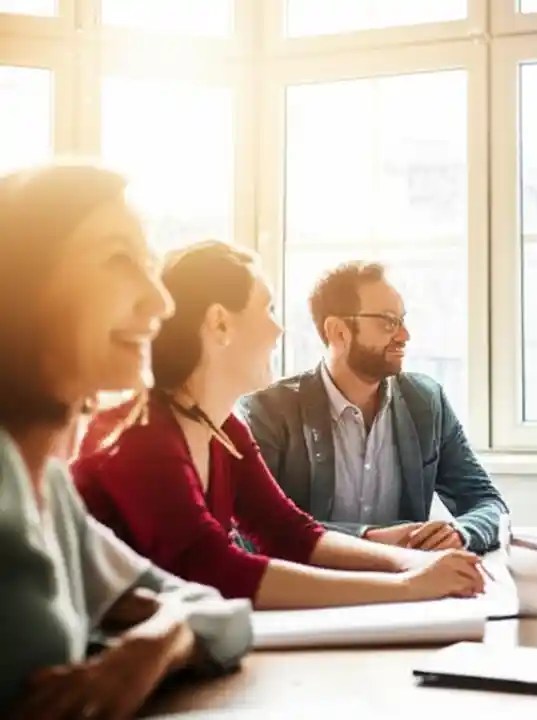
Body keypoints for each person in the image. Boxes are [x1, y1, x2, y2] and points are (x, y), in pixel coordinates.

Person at [74, 241, 485, 609]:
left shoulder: (224, 429)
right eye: (267, 309)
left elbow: (289, 533)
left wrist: (414, 562)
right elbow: (216, 569)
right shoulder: (140, 434)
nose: (278, 329)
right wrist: (407, 587)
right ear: (219, 324)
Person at [0, 164, 251, 717]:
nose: (161, 303)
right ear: (18, 281)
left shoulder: (52, 491)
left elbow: (219, 613)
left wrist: (155, 644)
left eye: (152, 267)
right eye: (120, 260)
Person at [240, 261, 507, 553]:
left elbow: (487, 503)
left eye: (402, 320)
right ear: (338, 331)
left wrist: (462, 532)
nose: (404, 335)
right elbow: (250, 531)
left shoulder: (426, 402)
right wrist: (368, 539)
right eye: (388, 322)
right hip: (312, 590)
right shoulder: (269, 411)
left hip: (411, 585)